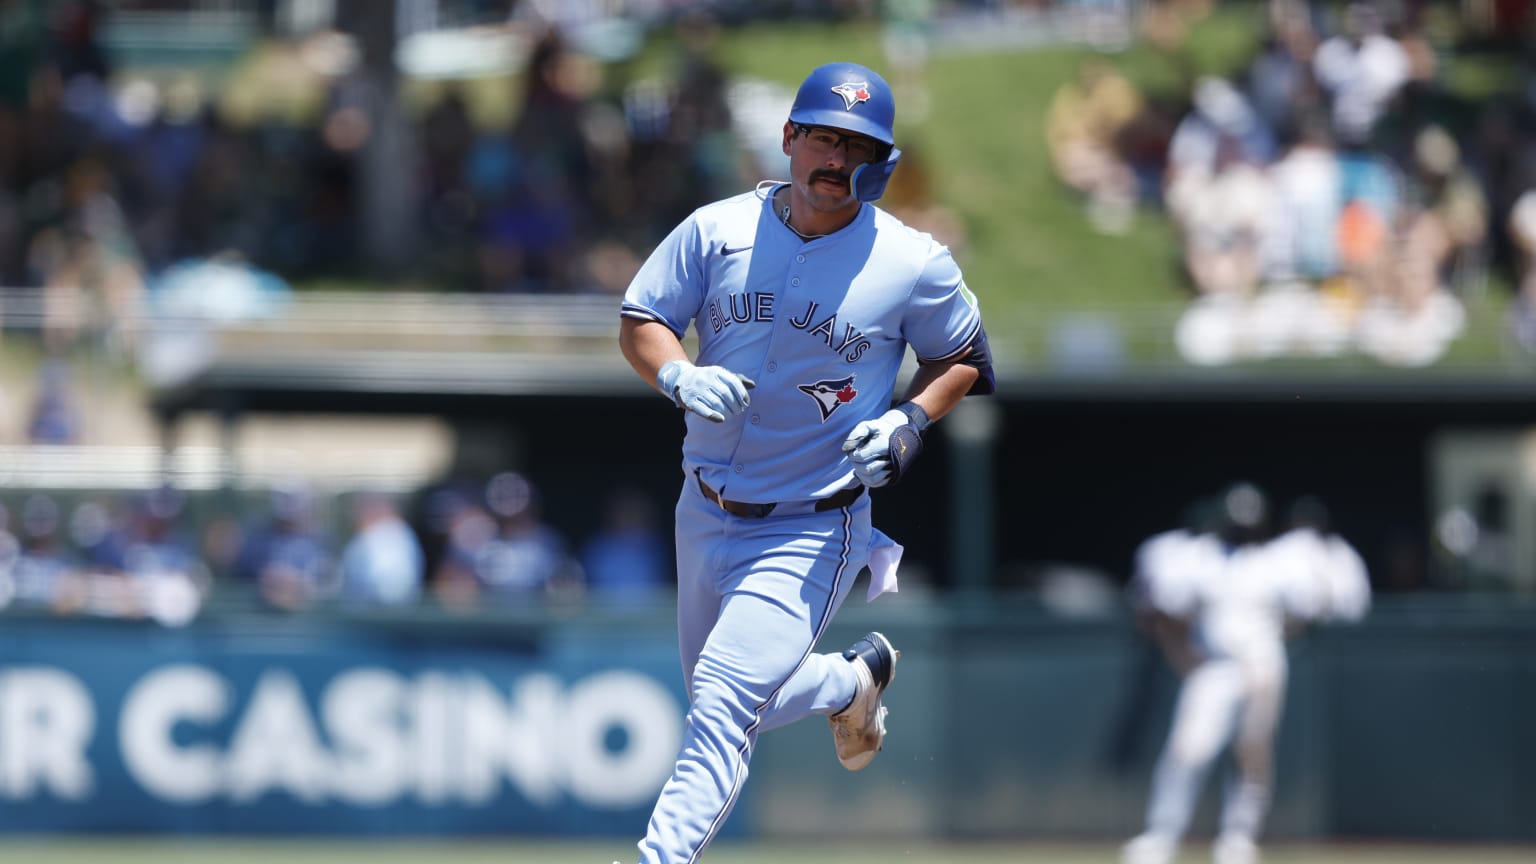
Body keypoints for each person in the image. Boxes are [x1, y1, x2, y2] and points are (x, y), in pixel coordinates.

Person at [615, 60, 994, 864]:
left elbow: (964, 355)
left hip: (812, 525)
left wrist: (908, 419)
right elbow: (642, 317)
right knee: (730, 696)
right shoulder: (716, 228)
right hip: (705, 504)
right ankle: (849, 683)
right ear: (788, 138)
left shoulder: (910, 259)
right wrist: (674, 371)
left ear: (881, 161)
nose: (837, 159)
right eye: (823, 136)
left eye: (857, 145)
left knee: (722, 702)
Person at [1121, 483, 1368, 864]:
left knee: (1252, 754)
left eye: (1251, 523)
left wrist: (1272, 642)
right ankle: (1162, 834)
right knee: (1187, 750)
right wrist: (1182, 653)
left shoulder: (1277, 563)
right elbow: (1169, 608)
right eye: (1237, 522)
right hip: (1215, 668)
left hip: (1261, 665)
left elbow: (1307, 610)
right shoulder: (1202, 559)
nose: (1244, 529)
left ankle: (1238, 837)